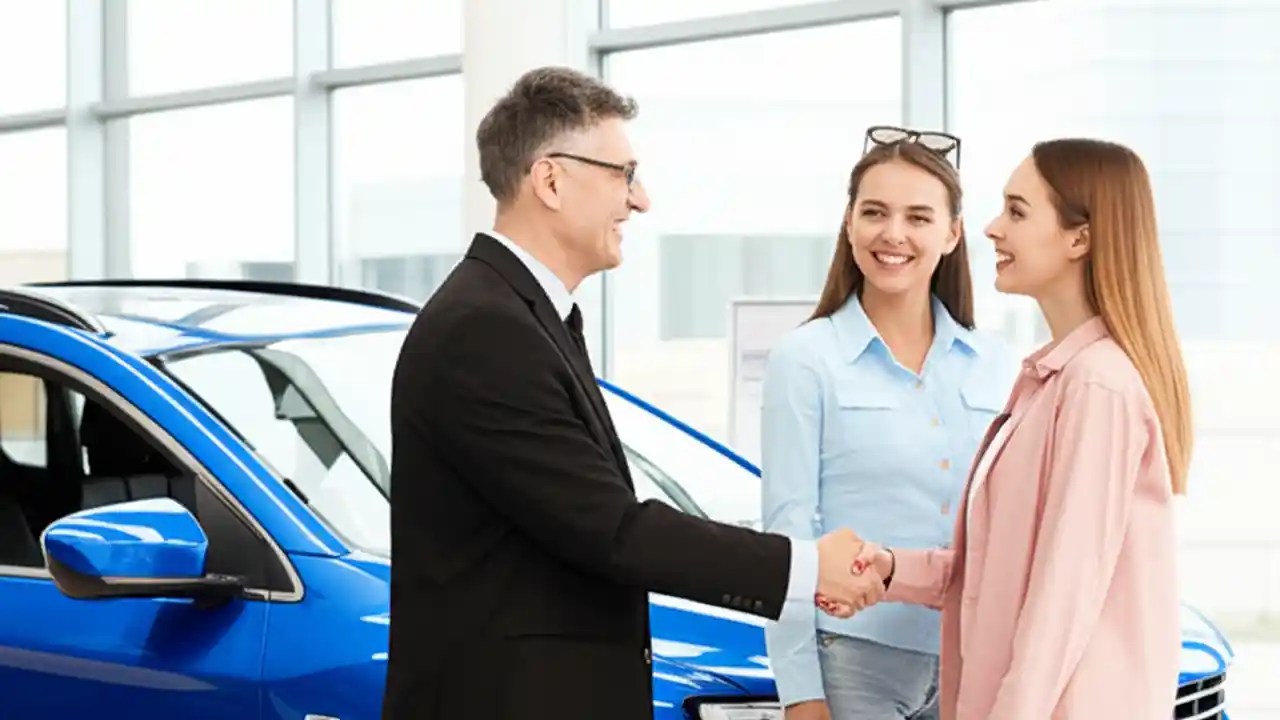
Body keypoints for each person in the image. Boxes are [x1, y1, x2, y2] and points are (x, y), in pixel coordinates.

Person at [381, 66, 884, 720]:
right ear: (551, 180)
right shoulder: (483, 330)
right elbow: (612, 530)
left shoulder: (520, 314)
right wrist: (807, 567)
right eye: (624, 174)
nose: (639, 200)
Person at [851, 138, 1193, 719]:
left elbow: (1064, 594)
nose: (992, 228)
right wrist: (891, 568)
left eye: (1016, 211)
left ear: (1079, 238)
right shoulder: (1052, 378)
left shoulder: (1096, 385)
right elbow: (1000, 569)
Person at [761, 128, 1016, 720]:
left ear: (952, 233)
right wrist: (800, 691)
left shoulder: (999, 364)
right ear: (849, 223)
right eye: (874, 212)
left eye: (918, 217)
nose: (893, 234)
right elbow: (789, 532)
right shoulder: (806, 359)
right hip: (853, 660)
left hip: (976, 659)